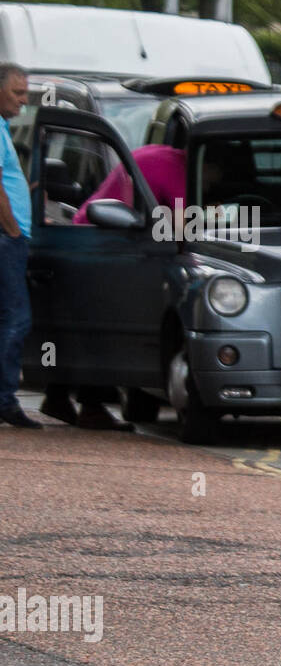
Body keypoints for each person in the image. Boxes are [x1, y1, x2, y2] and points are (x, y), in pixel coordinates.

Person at [40, 144, 187, 431]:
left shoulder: (162, 154)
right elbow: (185, 230)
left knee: (85, 324)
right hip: (101, 241)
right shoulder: (178, 171)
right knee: (105, 325)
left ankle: (57, 397)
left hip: (93, 233)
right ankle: (91, 408)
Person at [0, 62, 38, 429]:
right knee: (17, 317)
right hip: (8, 240)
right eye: (17, 92)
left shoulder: (4, 127)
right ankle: (5, 400)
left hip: (12, 236)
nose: (23, 101)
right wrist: (12, 228)